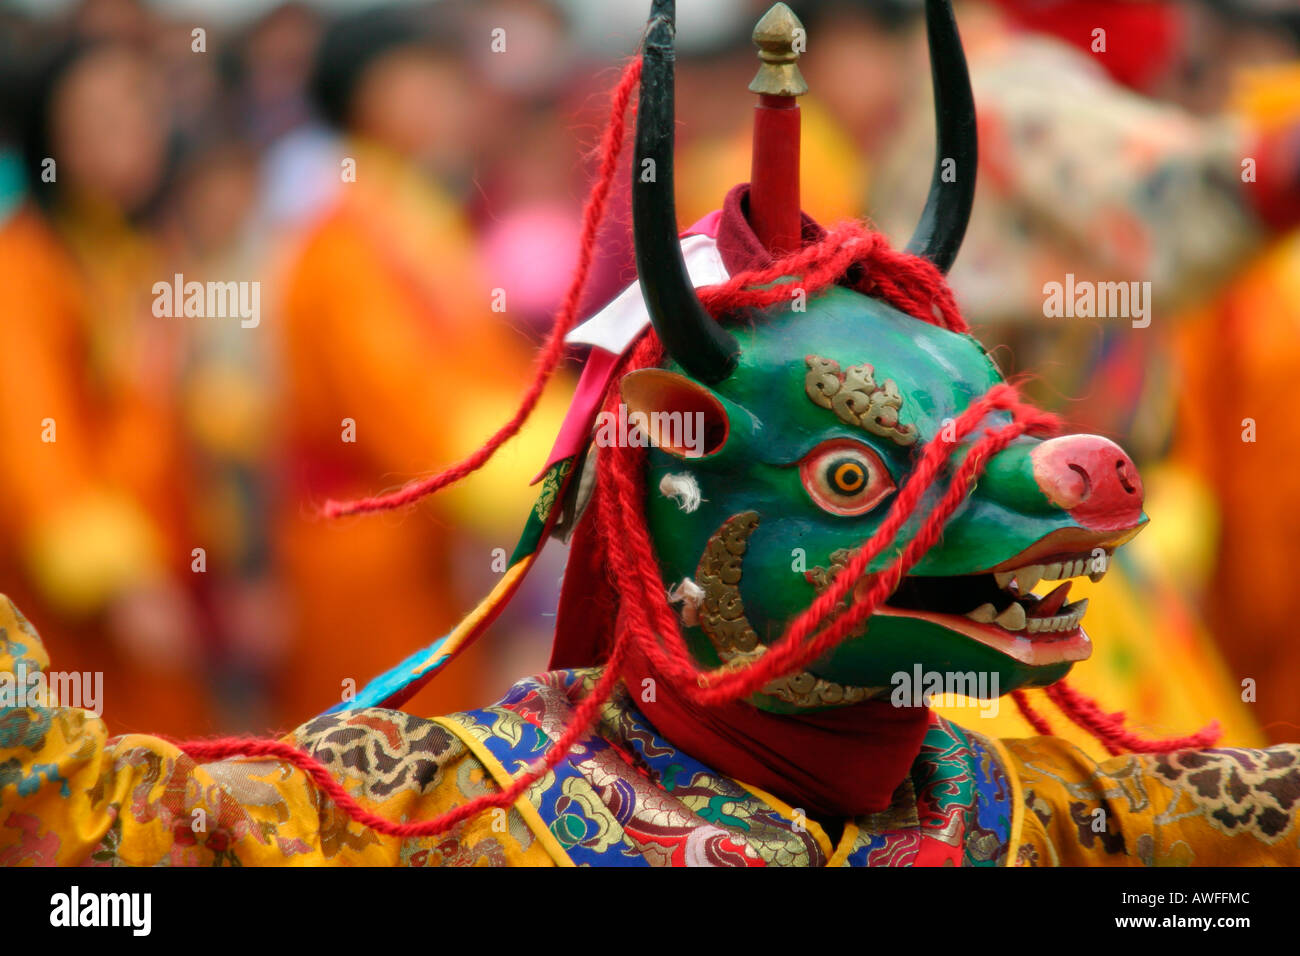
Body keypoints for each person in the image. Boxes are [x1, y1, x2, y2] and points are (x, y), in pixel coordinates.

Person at [3, 0, 1298, 868]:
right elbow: (114, 843)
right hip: (351, 569)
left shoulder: (1023, 804)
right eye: (857, 477)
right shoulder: (476, 815)